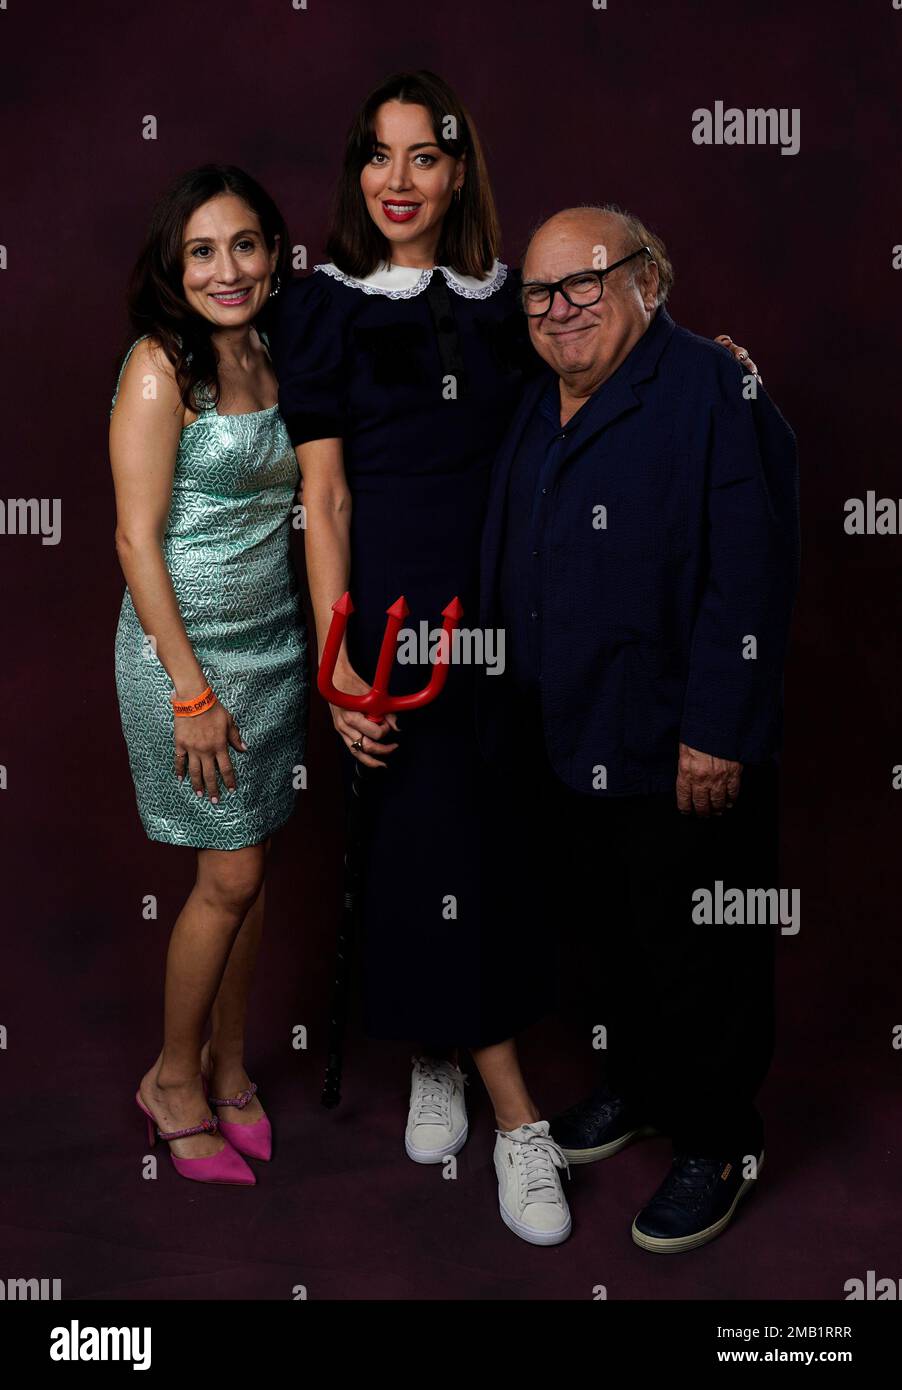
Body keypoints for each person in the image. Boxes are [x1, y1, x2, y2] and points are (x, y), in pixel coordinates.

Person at [272, 69, 760, 1245]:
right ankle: (512, 1114)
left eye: (423, 156)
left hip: (511, 622)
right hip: (389, 632)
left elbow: (606, 364)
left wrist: (709, 364)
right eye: (377, 158)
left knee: (488, 856)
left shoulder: (505, 302)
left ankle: (436, 1043)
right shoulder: (323, 307)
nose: (398, 180)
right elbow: (323, 497)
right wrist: (340, 663)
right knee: (423, 828)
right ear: (357, 174)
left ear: (456, 169)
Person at [476, 203, 799, 1252]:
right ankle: (645, 1089)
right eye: (538, 290)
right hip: (567, 731)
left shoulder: (711, 387)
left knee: (701, 948)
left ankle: (717, 1139)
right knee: (614, 938)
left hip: (676, 741)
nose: (559, 307)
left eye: (586, 282)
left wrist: (717, 730)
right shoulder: (539, 398)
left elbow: (750, 575)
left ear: (645, 282)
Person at [111, 164, 307, 1185]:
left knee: (250, 867)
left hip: (272, 645)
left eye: (244, 245)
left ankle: (231, 1067)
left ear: (275, 253)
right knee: (227, 872)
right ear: (173, 266)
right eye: (201, 250)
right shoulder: (160, 366)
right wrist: (189, 690)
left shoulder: (279, 350)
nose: (226, 268)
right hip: (179, 653)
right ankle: (172, 1081)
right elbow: (137, 542)